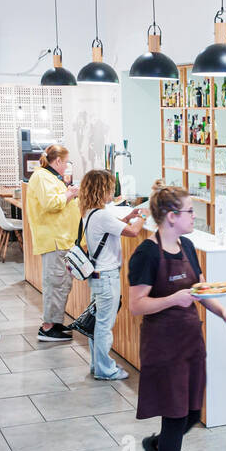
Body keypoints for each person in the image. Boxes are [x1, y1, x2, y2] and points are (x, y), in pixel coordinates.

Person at [129, 184, 226, 451]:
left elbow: (200, 290)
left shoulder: (188, 246)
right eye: (190, 211)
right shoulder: (146, 254)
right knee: (175, 416)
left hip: (191, 342)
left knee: (192, 412)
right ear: (172, 217)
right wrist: (172, 300)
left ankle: (158, 446)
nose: (195, 216)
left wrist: (223, 312)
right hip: (163, 347)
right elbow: (136, 305)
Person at [77, 169, 144, 379]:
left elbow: (112, 228)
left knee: (98, 323)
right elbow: (133, 232)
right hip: (107, 277)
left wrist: (128, 217)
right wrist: (142, 216)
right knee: (104, 326)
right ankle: (105, 370)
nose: (112, 192)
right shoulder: (103, 214)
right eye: (109, 187)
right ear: (101, 189)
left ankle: (97, 365)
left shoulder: (90, 212)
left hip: (98, 275)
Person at [24, 144, 80, 342]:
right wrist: (70, 193)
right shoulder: (41, 177)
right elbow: (51, 203)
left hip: (61, 238)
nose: (66, 166)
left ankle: (55, 323)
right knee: (55, 283)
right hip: (54, 238)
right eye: (66, 162)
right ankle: (48, 327)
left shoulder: (49, 177)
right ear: (57, 161)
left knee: (61, 283)